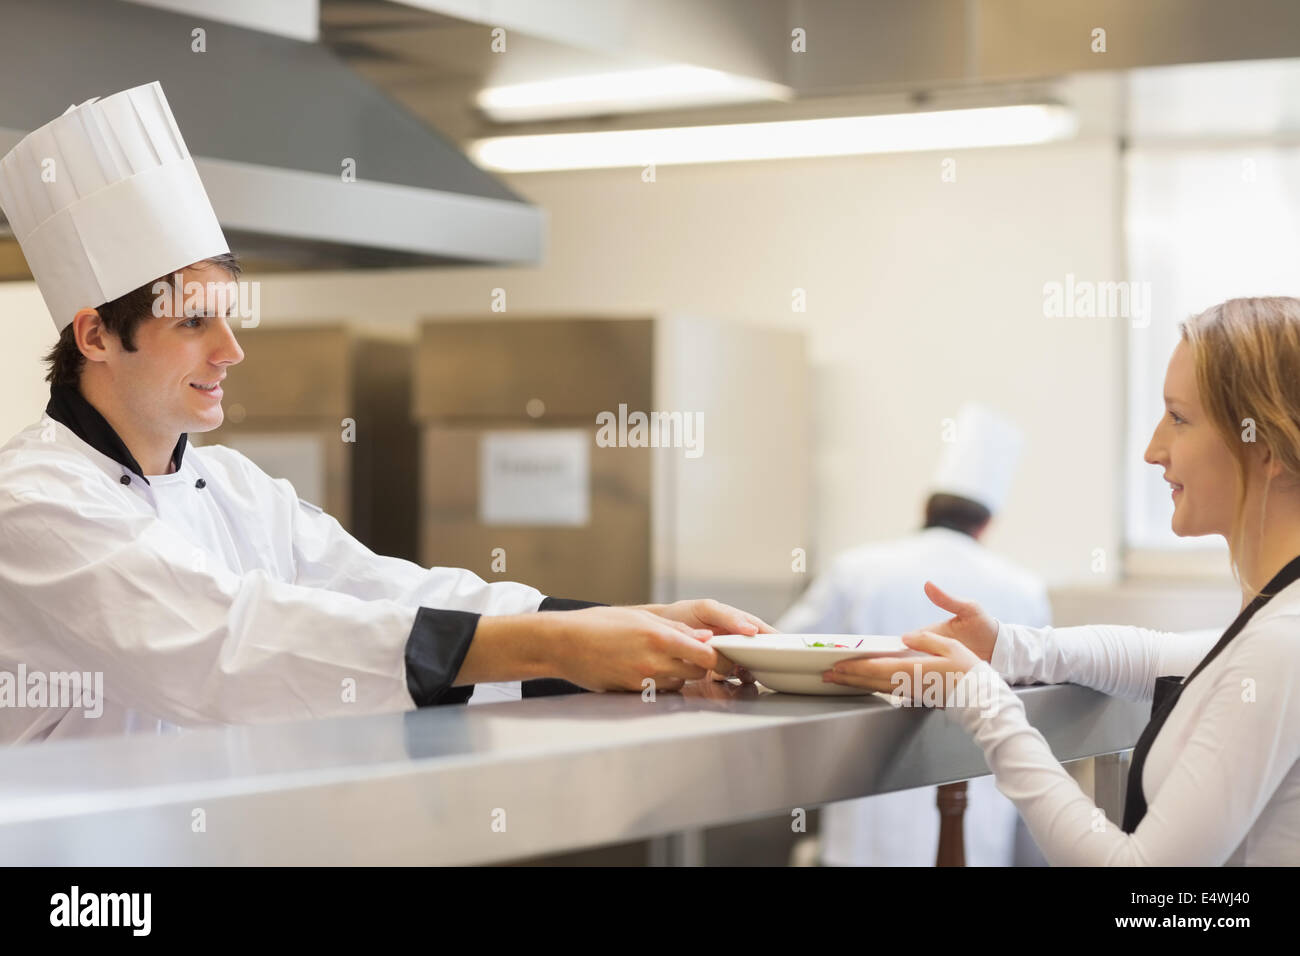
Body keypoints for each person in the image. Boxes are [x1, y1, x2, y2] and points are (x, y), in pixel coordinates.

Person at [0, 82, 769, 745]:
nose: (231, 351)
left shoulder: (234, 488)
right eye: (194, 323)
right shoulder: (34, 502)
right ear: (96, 334)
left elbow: (387, 595)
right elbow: (223, 647)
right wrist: (556, 643)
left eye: (231, 319)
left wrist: (631, 622)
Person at [825, 297, 1300, 865]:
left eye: (1178, 418)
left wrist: (984, 702)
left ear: (1265, 446)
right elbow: (1160, 658)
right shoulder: (1273, 625)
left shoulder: (1280, 643)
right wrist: (1004, 645)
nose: (1154, 450)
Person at [778, 404, 1050, 866]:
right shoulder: (1024, 589)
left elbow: (782, 652)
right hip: (975, 826)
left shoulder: (858, 569)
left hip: (867, 822)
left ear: (927, 508)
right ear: (986, 524)